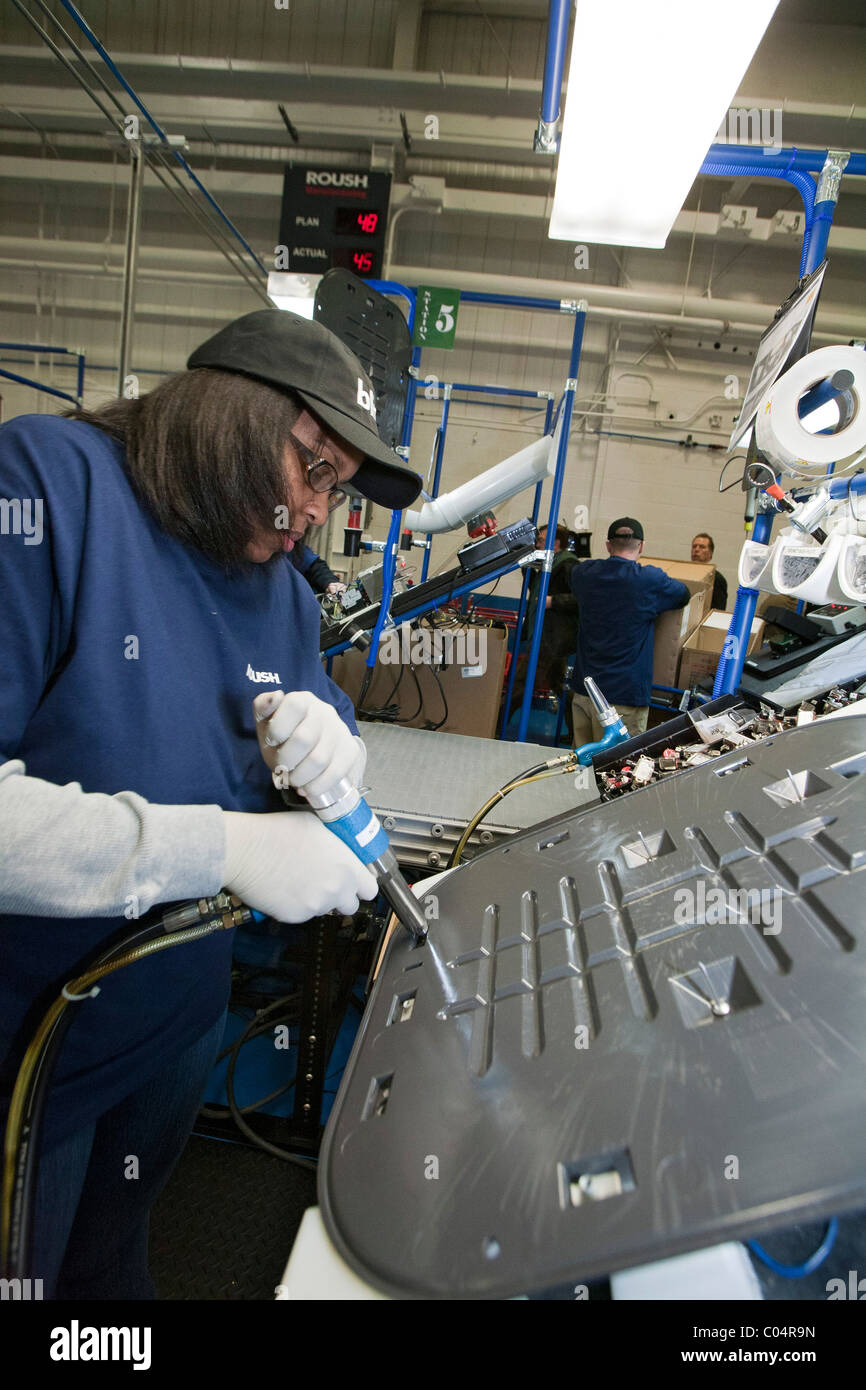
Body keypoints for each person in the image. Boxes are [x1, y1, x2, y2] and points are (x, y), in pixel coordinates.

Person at [0, 307, 421, 1300]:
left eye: (336, 488)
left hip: (175, 1024)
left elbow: (314, 716)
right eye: (313, 469)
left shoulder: (277, 583)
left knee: (111, 1273)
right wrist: (225, 847)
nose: (316, 509)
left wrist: (334, 748)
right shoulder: (48, 488)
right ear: (230, 416)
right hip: (34, 1049)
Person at [569, 517, 689, 745]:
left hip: (585, 693)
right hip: (622, 699)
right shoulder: (649, 580)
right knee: (618, 763)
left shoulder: (584, 574)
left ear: (608, 545)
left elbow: (574, 577)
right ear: (641, 546)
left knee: (582, 759)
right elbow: (683, 595)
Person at [508, 523, 580, 719]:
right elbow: (536, 589)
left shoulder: (567, 564)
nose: (537, 544)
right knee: (558, 685)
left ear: (555, 543)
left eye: (540, 540)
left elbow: (581, 598)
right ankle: (576, 727)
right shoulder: (549, 563)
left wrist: (553, 601)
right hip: (549, 636)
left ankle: (496, 723)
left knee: (522, 682)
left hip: (550, 637)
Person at [691, 532, 728, 610]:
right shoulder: (685, 574)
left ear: (710, 553)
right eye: (694, 546)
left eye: (702, 547)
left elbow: (718, 610)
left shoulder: (716, 579)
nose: (696, 549)